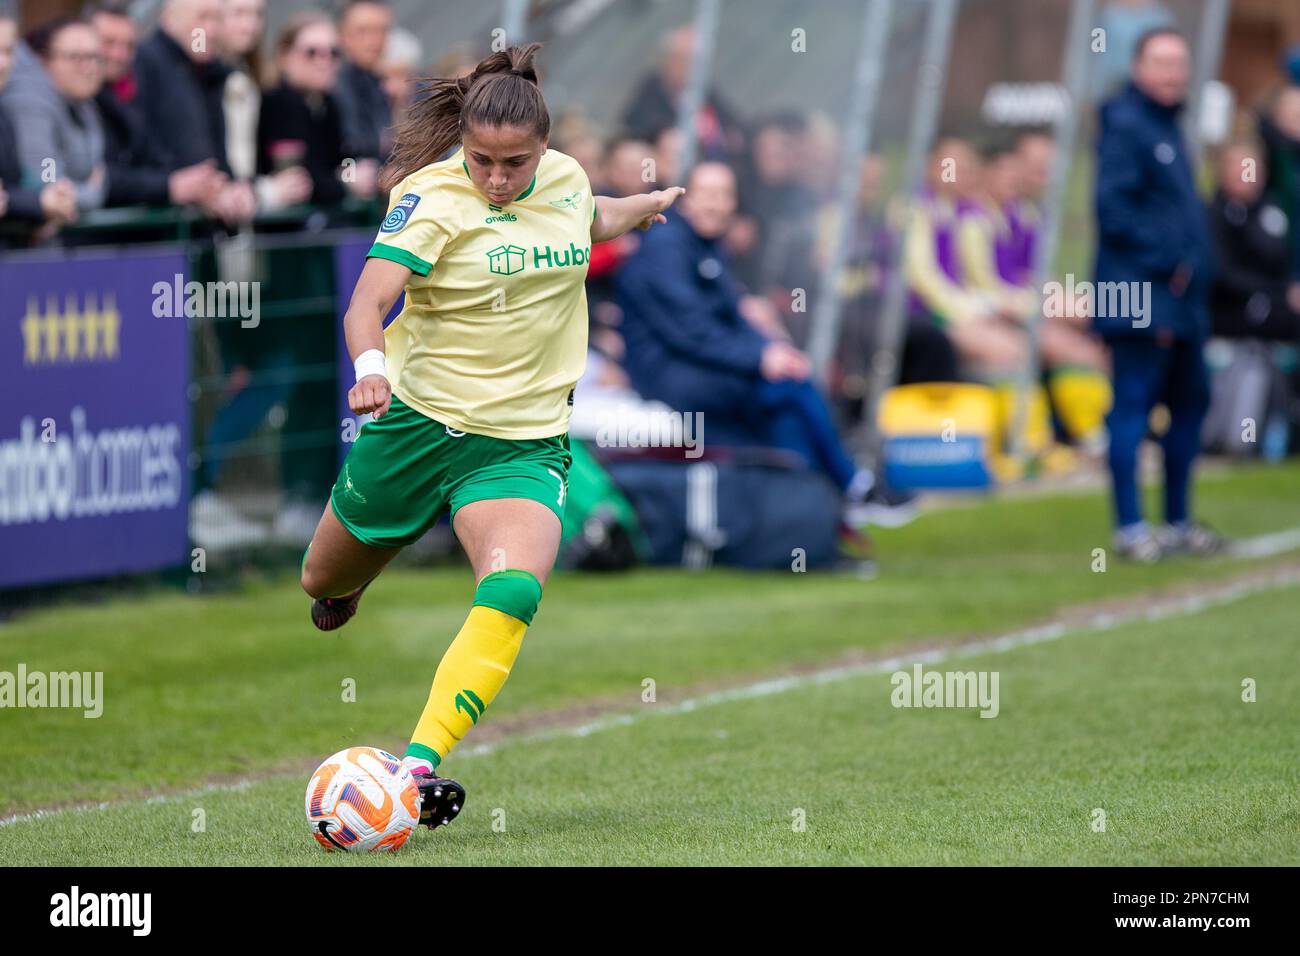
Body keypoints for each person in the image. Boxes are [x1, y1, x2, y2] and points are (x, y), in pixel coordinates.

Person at [298, 43, 683, 827]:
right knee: (319, 583)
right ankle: (355, 577)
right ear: (463, 146)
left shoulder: (568, 179)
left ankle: (414, 769)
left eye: (515, 164)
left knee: (512, 590)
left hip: (521, 442)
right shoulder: (429, 196)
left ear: (543, 148)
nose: (498, 179)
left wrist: (641, 205)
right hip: (415, 423)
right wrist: (370, 368)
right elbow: (366, 303)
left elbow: (588, 216)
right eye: (482, 162)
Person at [616, 159, 914, 537]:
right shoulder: (667, 246)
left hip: (702, 365)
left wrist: (774, 351)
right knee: (787, 388)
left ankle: (813, 517)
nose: (717, 203)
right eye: (707, 193)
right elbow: (690, 331)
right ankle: (849, 488)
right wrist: (761, 357)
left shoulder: (706, 247)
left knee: (786, 400)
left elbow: (733, 320)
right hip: (669, 375)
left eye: (726, 195)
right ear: (685, 200)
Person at [1093, 27, 1219, 561]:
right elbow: (1114, 211)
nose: (1173, 73)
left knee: (1191, 402)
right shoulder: (1126, 124)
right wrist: (1172, 262)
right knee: (1133, 406)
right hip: (1137, 293)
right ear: (1139, 67)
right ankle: (1130, 528)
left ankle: (1177, 521)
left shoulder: (1170, 127)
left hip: (1180, 297)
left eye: (1180, 62)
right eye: (1162, 62)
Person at [87, 0, 224, 209]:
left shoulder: (126, 92)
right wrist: (168, 185)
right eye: (108, 43)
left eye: (128, 45)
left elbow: (150, 155)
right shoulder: (75, 98)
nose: (119, 54)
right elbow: (93, 177)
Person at [1, 18, 107, 214]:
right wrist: (91, 193)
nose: (89, 67)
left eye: (95, 57)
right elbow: (47, 181)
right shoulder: (29, 102)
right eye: (75, 57)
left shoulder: (82, 100)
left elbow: (99, 166)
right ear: (44, 59)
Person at [0, 10, 77, 246]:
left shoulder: (3, 112)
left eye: (8, 51)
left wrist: (50, 197)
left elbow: (12, 186)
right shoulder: (27, 101)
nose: (3, 63)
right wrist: (39, 203)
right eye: (74, 56)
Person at [333, 0, 391, 167]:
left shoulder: (376, 81)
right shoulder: (334, 83)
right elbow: (350, 150)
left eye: (383, 31)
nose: (375, 40)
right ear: (342, 34)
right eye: (363, 31)